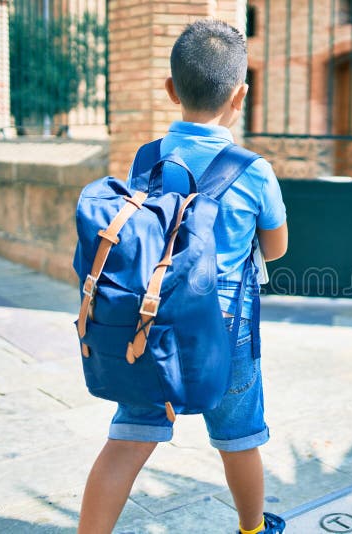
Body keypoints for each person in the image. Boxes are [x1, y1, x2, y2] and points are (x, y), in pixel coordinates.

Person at [77, 19, 288, 534]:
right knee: (239, 437)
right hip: (226, 327)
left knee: (128, 438)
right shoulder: (253, 169)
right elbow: (277, 249)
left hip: (152, 317)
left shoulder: (147, 159)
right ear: (241, 94)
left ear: (171, 90)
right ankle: (252, 529)